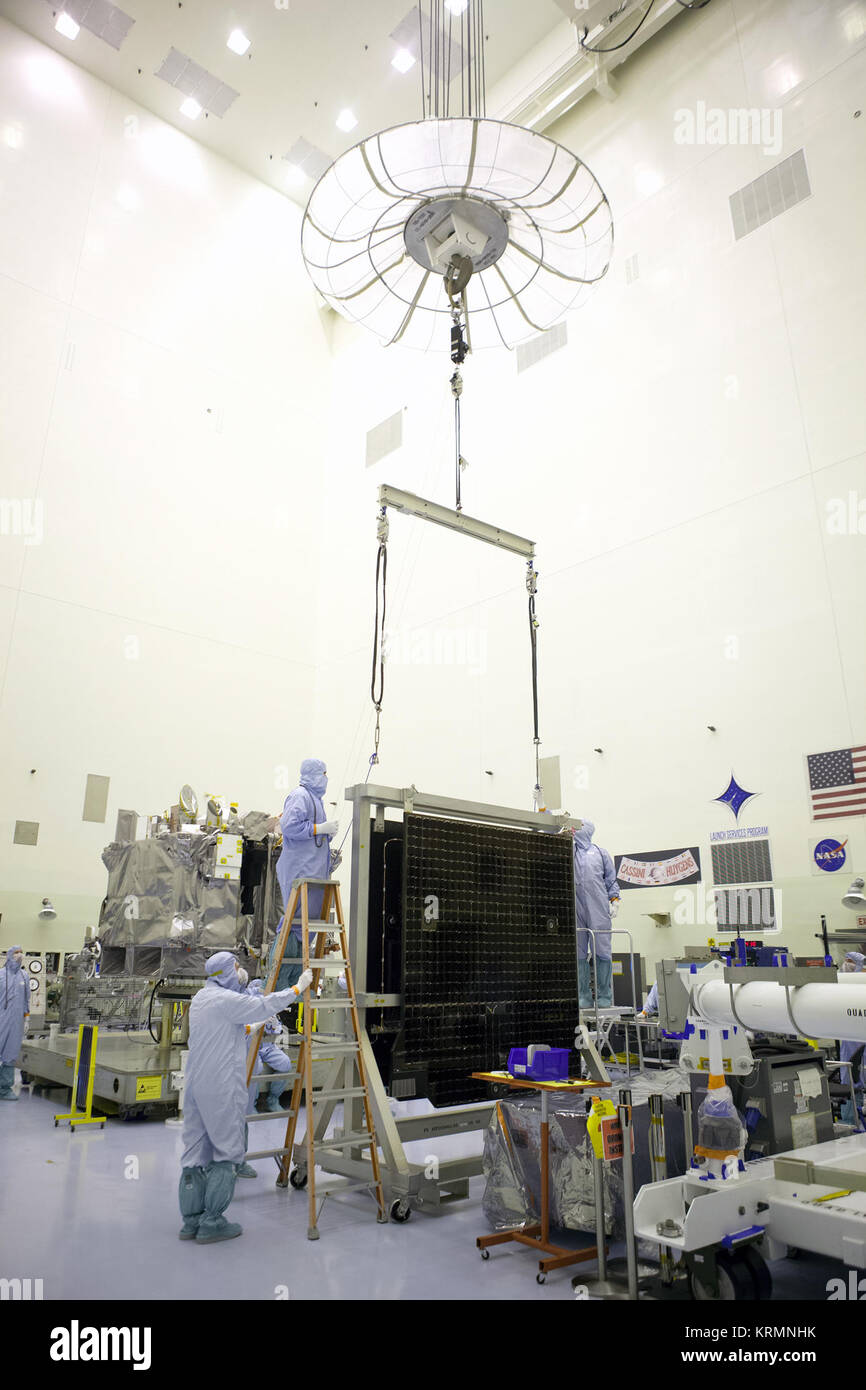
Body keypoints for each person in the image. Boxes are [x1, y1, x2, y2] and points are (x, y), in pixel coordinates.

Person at [179, 950, 312, 1243]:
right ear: (226, 972)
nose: (240, 972)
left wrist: (252, 1027)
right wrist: (297, 988)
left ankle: (190, 1222)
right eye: (237, 966)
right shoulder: (227, 999)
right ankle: (212, 1222)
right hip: (221, 1088)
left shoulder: (201, 998)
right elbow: (264, 1004)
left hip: (196, 1087)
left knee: (194, 1154)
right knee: (226, 1153)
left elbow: (226, 1031)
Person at [270, 759, 338, 991]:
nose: (326, 778)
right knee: (294, 923)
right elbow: (289, 826)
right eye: (323, 773)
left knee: (306, 926)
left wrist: (326, 835)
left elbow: (311, 837)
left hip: (314, 874)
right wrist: (320, 829)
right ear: (313, 774)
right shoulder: (300, 796)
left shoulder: (317, 801)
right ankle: (277, 986)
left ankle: (294, 989)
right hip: (301, 871)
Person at [573, 821, 621, 1010]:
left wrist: (615, 900)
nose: (575, 830)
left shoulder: (600, 853)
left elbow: (611, 879)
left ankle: (604, 996)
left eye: (578, 826)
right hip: (576, 907)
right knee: (578, 951)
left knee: (602, 950)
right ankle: (583, 996)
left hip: (598, 907)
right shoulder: (570, 852)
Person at [0, 946, 30, 1101]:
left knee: (10, 1054)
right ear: (9, 955)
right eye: (16, 952)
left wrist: (27, 1018)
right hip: (1, 1020)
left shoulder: (24, 976)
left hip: (16, 1022)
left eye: (20, 952)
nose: (19, 955)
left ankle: (4, 1089)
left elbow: (26, 999)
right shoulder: (1, 975)